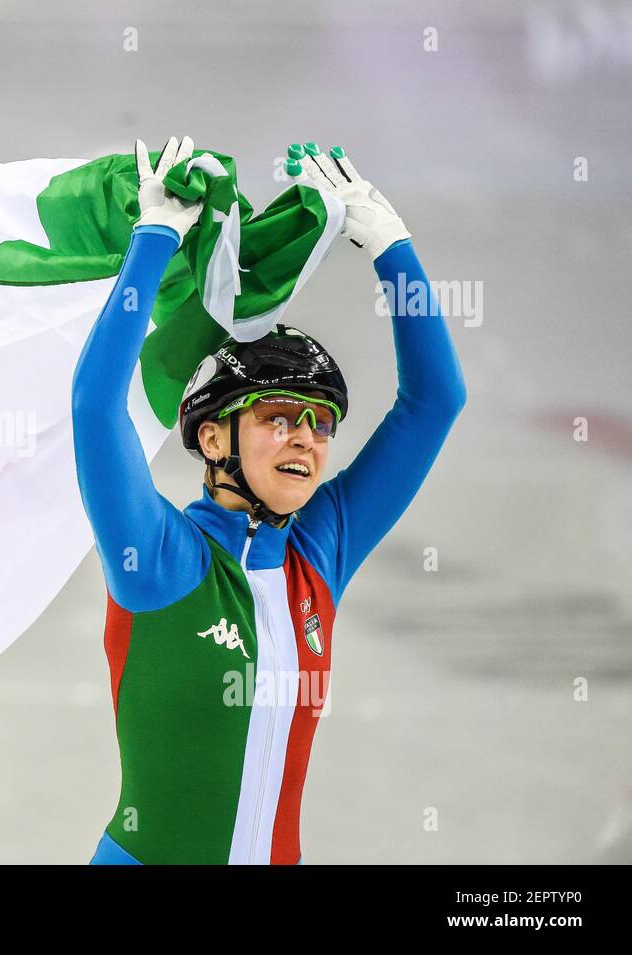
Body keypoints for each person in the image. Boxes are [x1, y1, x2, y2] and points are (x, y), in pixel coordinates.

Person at [71, 135, 467, 864]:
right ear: (215, 439)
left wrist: (392, 247)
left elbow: (435, 401)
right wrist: (155, 237)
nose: (306, 439)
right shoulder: (158, 558)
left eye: (320, 423)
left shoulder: (319, 553)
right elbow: (97, 407)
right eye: (278, 416)